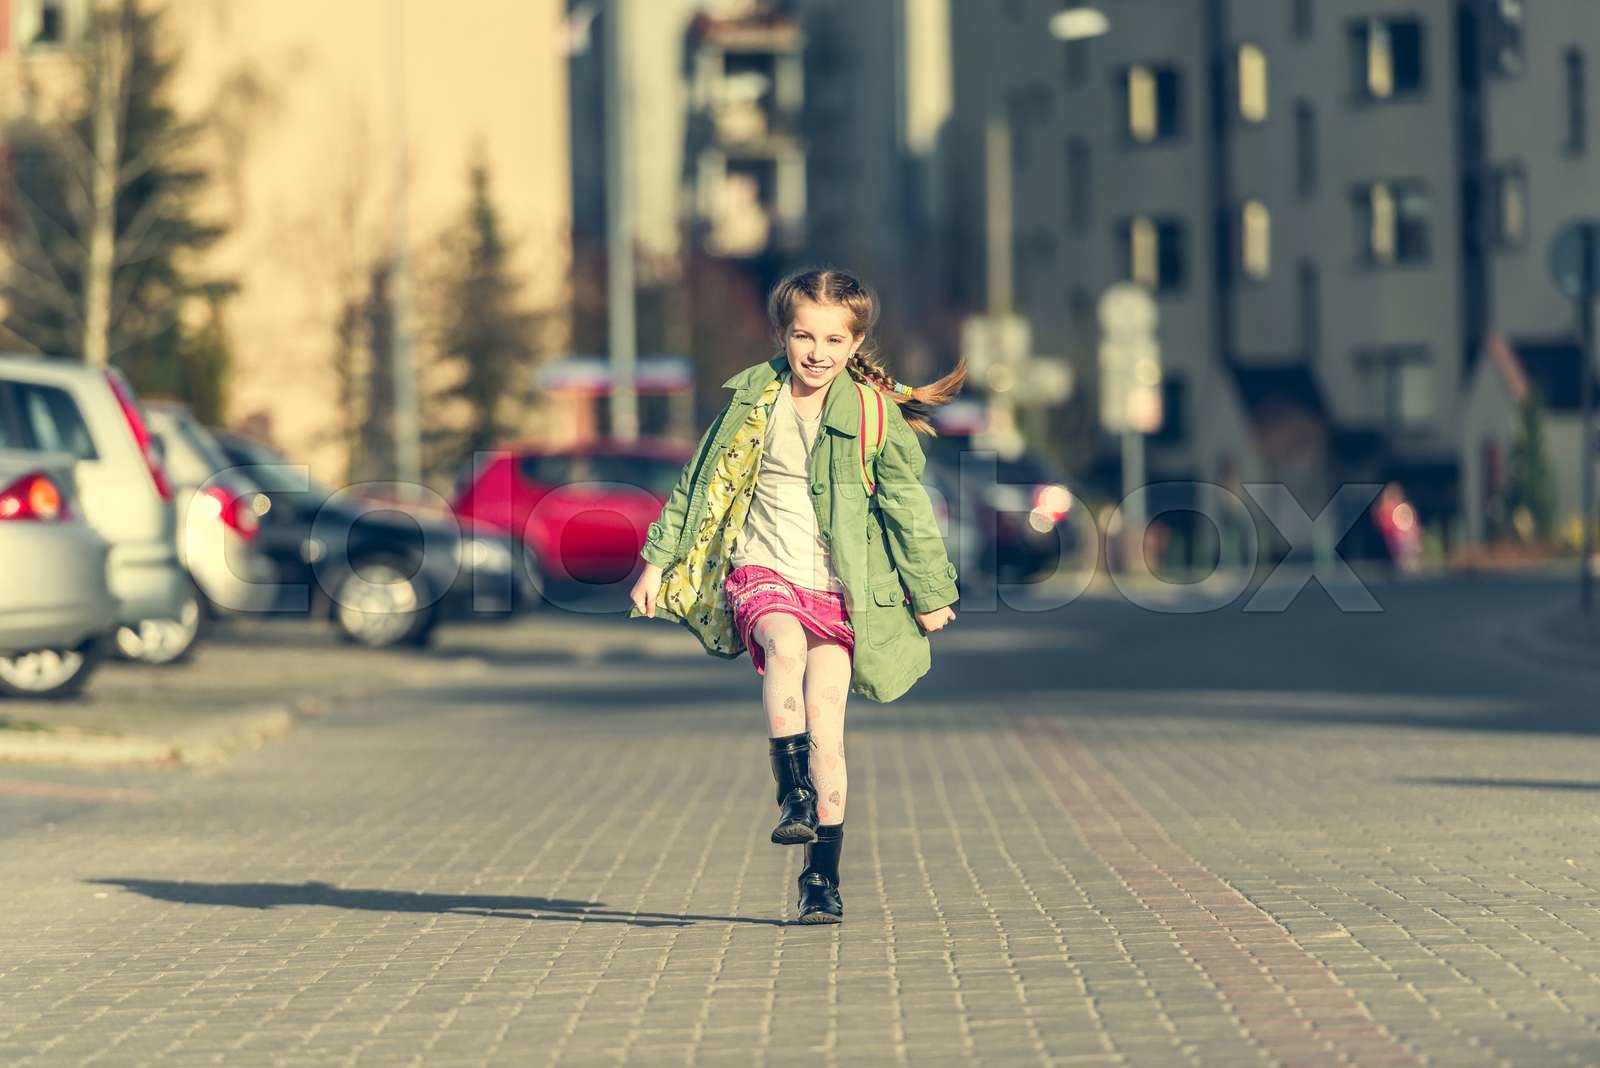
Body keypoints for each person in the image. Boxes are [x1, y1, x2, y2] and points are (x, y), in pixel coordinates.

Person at [628, 267, 966, 924]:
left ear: (855, 340)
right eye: (804, 335)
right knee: (782, 645)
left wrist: (930, 591)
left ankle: (821, 878)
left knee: (830, 736)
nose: (817, 352)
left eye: (834, 339)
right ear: (782, 333)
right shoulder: (753, 400)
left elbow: (906, 508)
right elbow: (699, 485)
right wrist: (655, 562)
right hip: (763, 570)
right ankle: (793, 797)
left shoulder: (872, 415)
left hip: (840, 587)